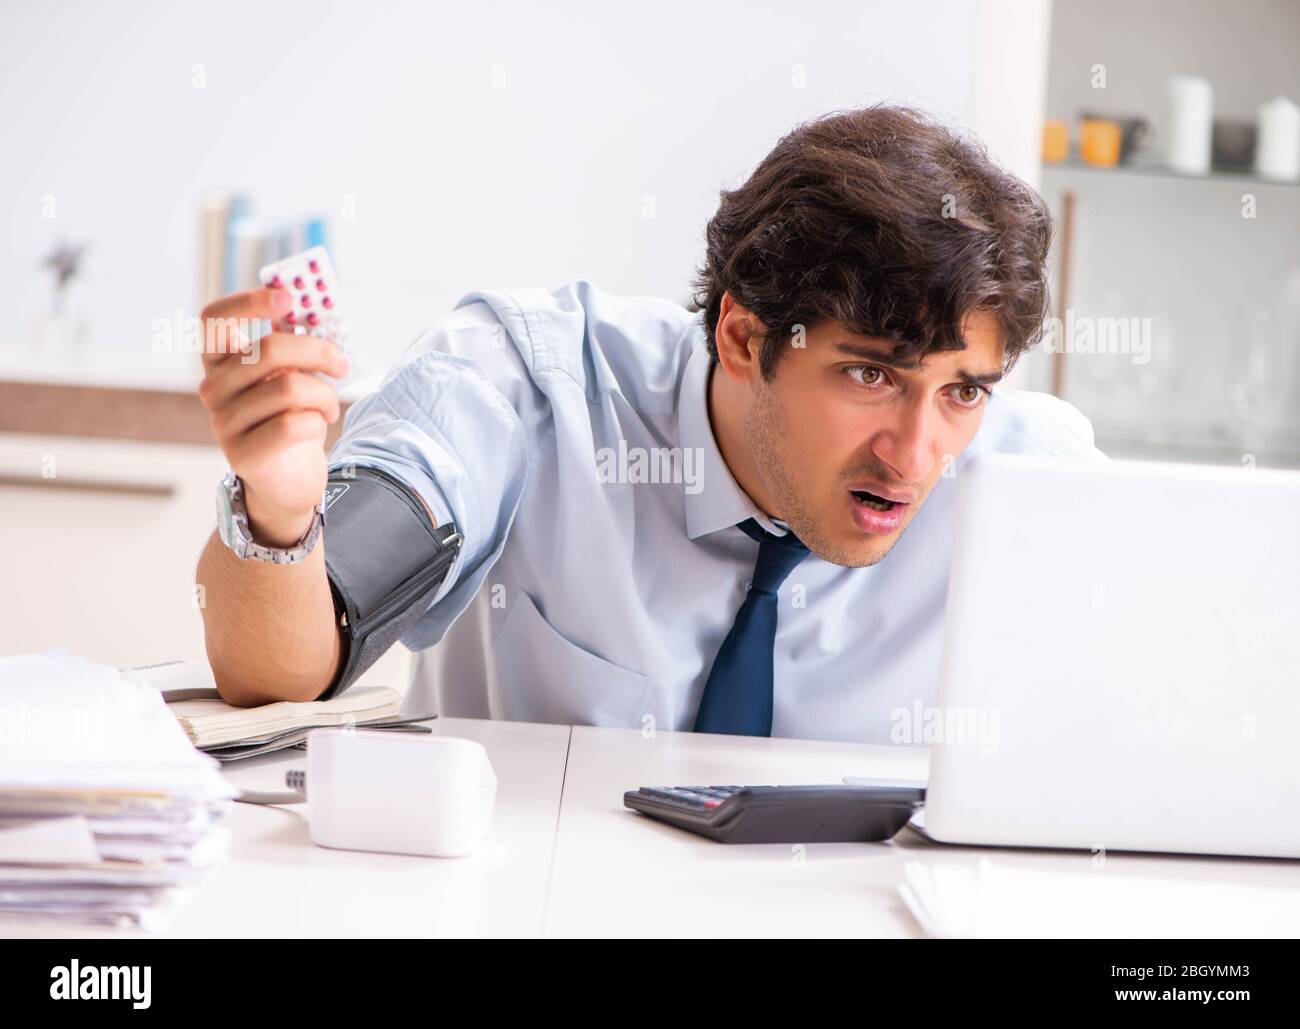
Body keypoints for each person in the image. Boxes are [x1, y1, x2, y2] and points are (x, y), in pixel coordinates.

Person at [194, 104, 1101, 743]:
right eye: (871, 374)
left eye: (963, 392)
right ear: (743, 336)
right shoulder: (520, 385)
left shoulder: (1036, 486)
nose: (915, 454)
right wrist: (278, 508)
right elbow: (283, 673)